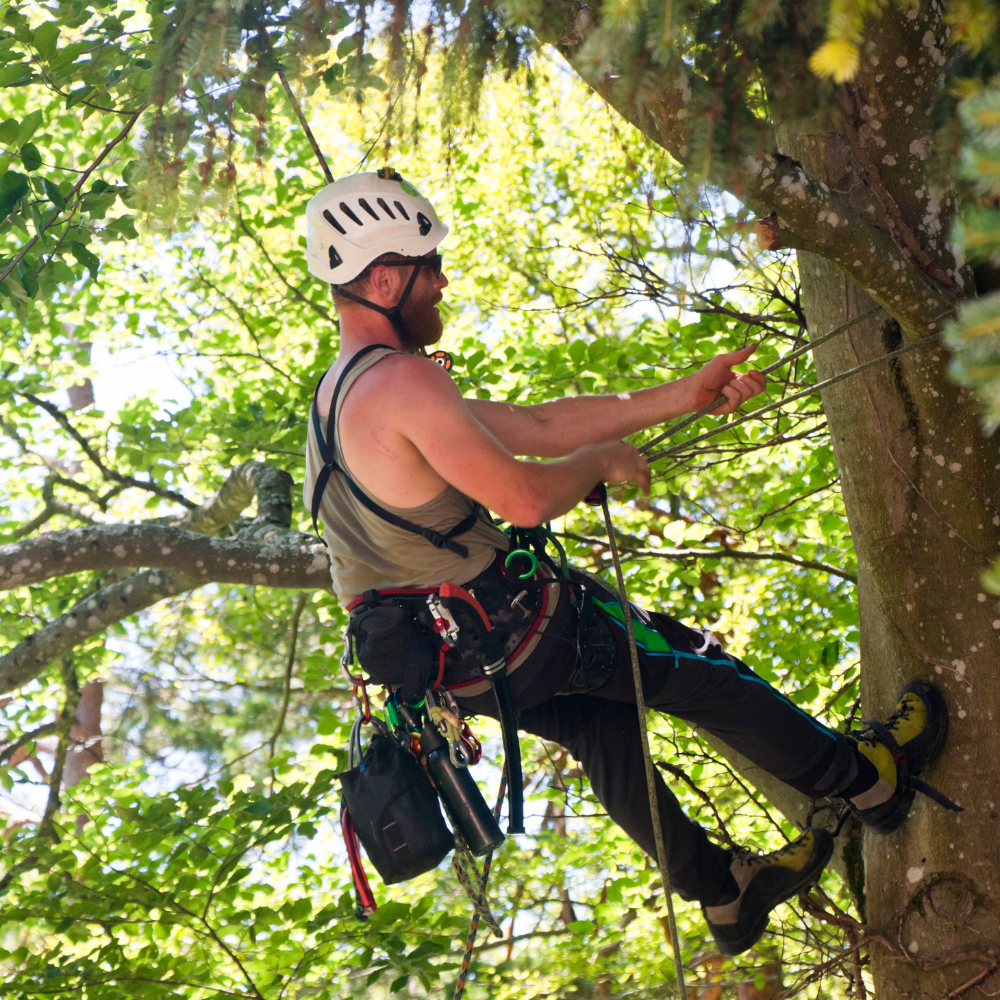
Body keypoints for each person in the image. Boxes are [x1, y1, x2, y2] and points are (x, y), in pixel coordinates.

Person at [303, 170, 956, 956]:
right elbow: (527, 495)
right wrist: (597, 463)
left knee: (606, 732)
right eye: (427, 265)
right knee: (701, 673)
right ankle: (869, 780)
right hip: (525, 633)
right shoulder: (402, 380)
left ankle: (724, 896)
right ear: (383, 277)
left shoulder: (338, 402)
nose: (441, 280)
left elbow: (538, 422)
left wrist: (687, 393)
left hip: (461, 674)